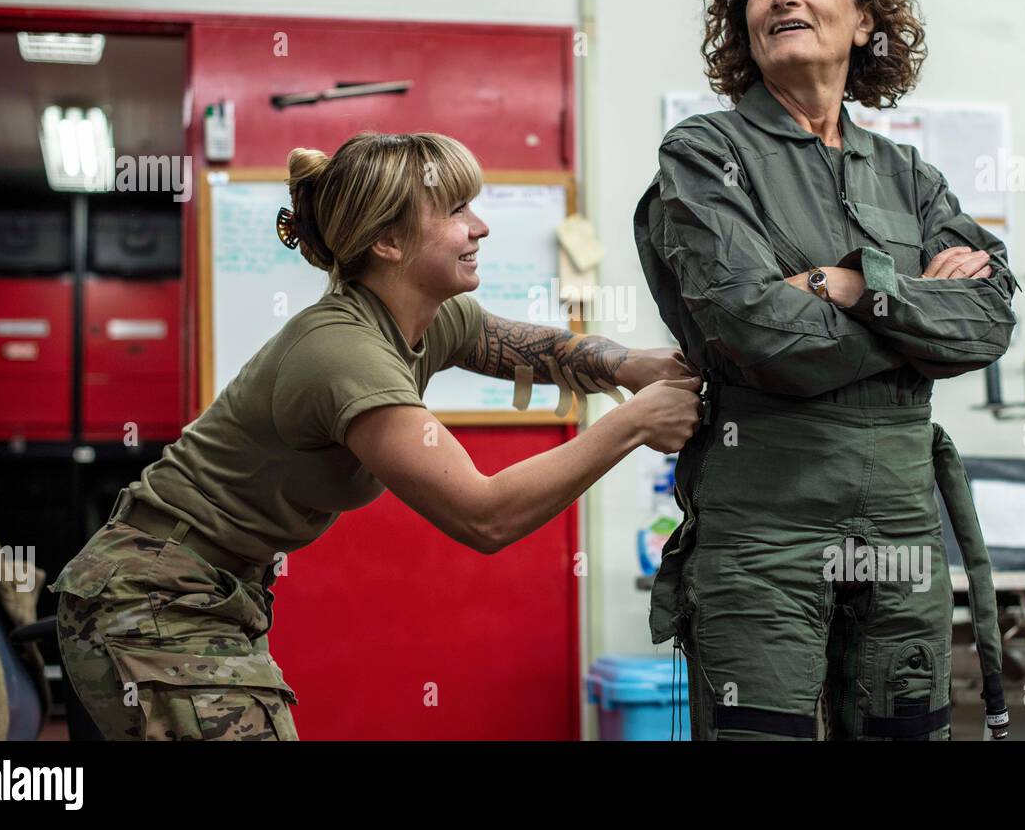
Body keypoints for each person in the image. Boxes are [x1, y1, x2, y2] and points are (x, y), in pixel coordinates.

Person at [50, 130, 701, 740]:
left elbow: (529, 347)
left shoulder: (426, 317)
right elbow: (485, 516)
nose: (480, 226)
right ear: (387, 242)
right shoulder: (344, 353)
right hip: (151, 593)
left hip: (217, 591)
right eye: (454, 211)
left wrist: (630, 364)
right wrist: (635, 422)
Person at [634, 0, 1015, 740]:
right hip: (761, 532)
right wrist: (915, 307)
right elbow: (754, 334)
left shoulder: (908, 173)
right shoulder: (704, 156)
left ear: (865, 17)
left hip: (903, 530)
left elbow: (987, 323)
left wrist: (853, 285)